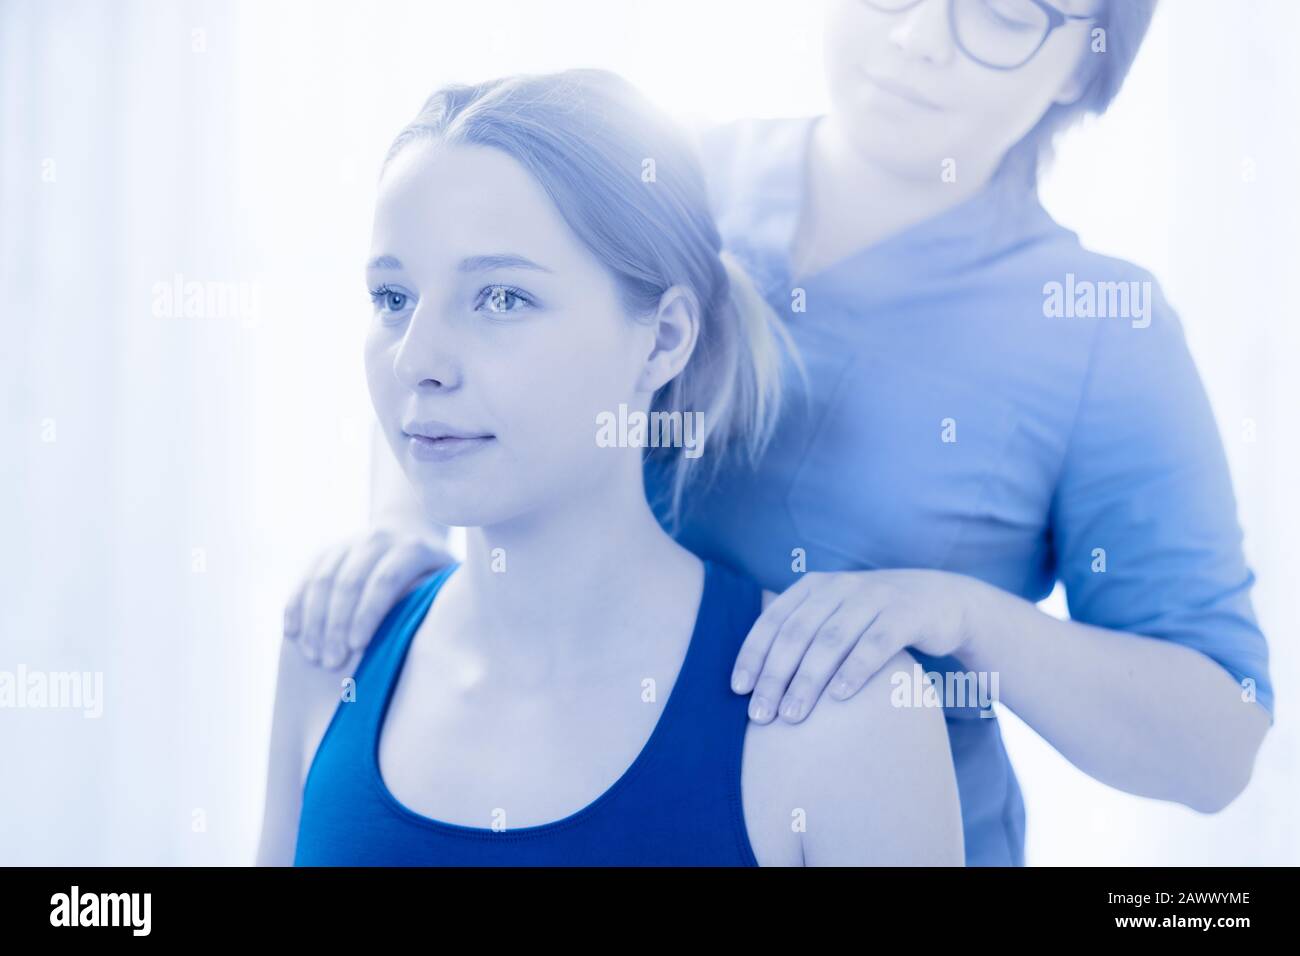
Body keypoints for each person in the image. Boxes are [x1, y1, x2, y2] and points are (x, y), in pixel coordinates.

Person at [283, 0, 1273, 865]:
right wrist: (402, 527)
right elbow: (449, 328)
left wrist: (960, 617)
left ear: (1089, 61)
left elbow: (1216, 739)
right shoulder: (664, 173)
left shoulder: (1096, 327)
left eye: (1008, 14)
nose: (922, 37)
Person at [257, 69, 964, 866]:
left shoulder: (845, 721)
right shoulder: (332, 650)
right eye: (393, 299)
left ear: (663, 339)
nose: (417, 359)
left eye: (501, 298)